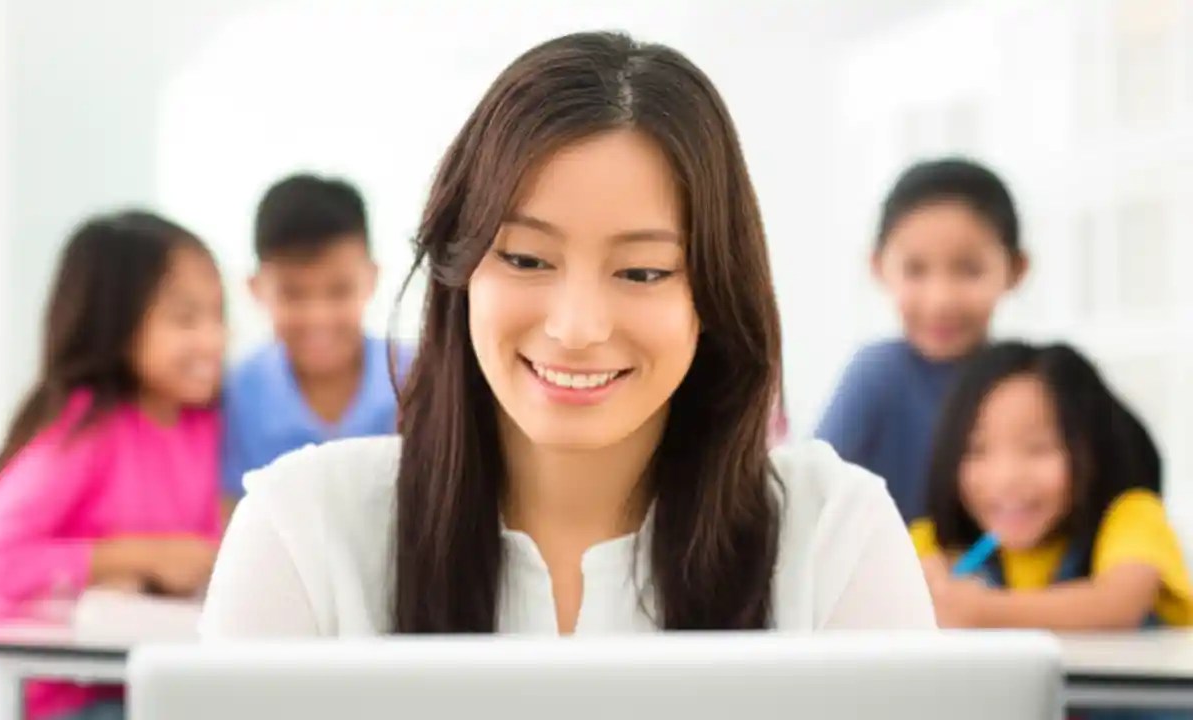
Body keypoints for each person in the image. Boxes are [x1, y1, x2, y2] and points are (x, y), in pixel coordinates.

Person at [202, 31, 933, 640]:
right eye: (525, 259)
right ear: (461, 271)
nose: (576, 327)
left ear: (714, 291)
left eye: (643, 272)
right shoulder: (303, 532)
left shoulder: (834, 537)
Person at [0, 211, 226, 720]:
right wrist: (139, 556)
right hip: (50, 702)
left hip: (138, 689)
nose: (213, 340)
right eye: (186, 320)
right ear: (116, 326)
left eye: (217, 315)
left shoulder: (202, 428)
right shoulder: (88, 431)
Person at [911, 342, 1186, 633]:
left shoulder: (1132, 516)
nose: (1006, 477)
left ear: (1094, 449)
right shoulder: (933, 539)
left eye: (1038, 448)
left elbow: (1118, 604)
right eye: (976, 450)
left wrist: (981, 611)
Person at [815, 158, 1028, 522]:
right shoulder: (876, 375)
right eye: (915, 270)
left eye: (969, 269)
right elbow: (808, 497)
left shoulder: (1027, 384)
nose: (940, 299)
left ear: (1016, 269)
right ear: (878, 267)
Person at [221, 174, 408, 502]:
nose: (318, 317)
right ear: (255, 288)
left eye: (340, 290)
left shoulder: (420, 378)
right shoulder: (237, 395)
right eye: (293, 294)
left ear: (372, 278)